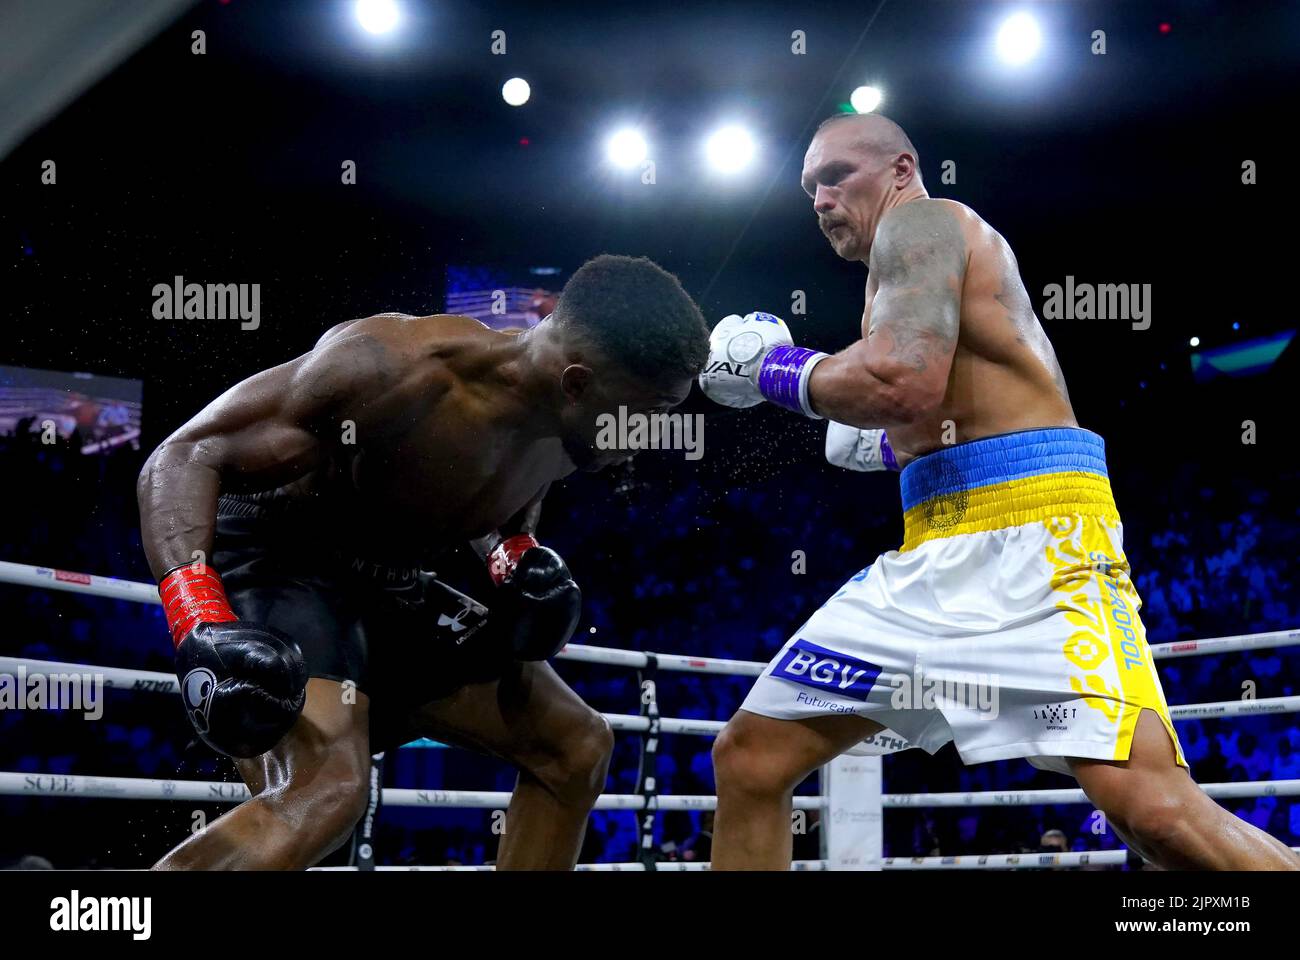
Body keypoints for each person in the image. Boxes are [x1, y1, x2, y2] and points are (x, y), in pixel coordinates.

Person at [701, 113, 1299, 871]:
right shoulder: (907, 262)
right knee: (751, 757)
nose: (819, 199)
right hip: (931, 553)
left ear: (900, 169)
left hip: (1041, 542)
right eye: (808, 187)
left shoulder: (921, 225)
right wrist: (893, 449)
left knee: (1152, 811)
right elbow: (948, 404)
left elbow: (899, 380)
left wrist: (772, 371)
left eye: (835, 176)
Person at [137, 254, 710, 869]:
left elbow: (500, 498)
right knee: (325, 792)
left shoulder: (575, 425)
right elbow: (188, 452)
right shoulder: (396, 366)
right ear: (575, 381)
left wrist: (513, 558)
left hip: (395, 586)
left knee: (575, 747)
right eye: (645, 414)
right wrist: (197, 614)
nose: (646, 437)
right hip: (285, 565)